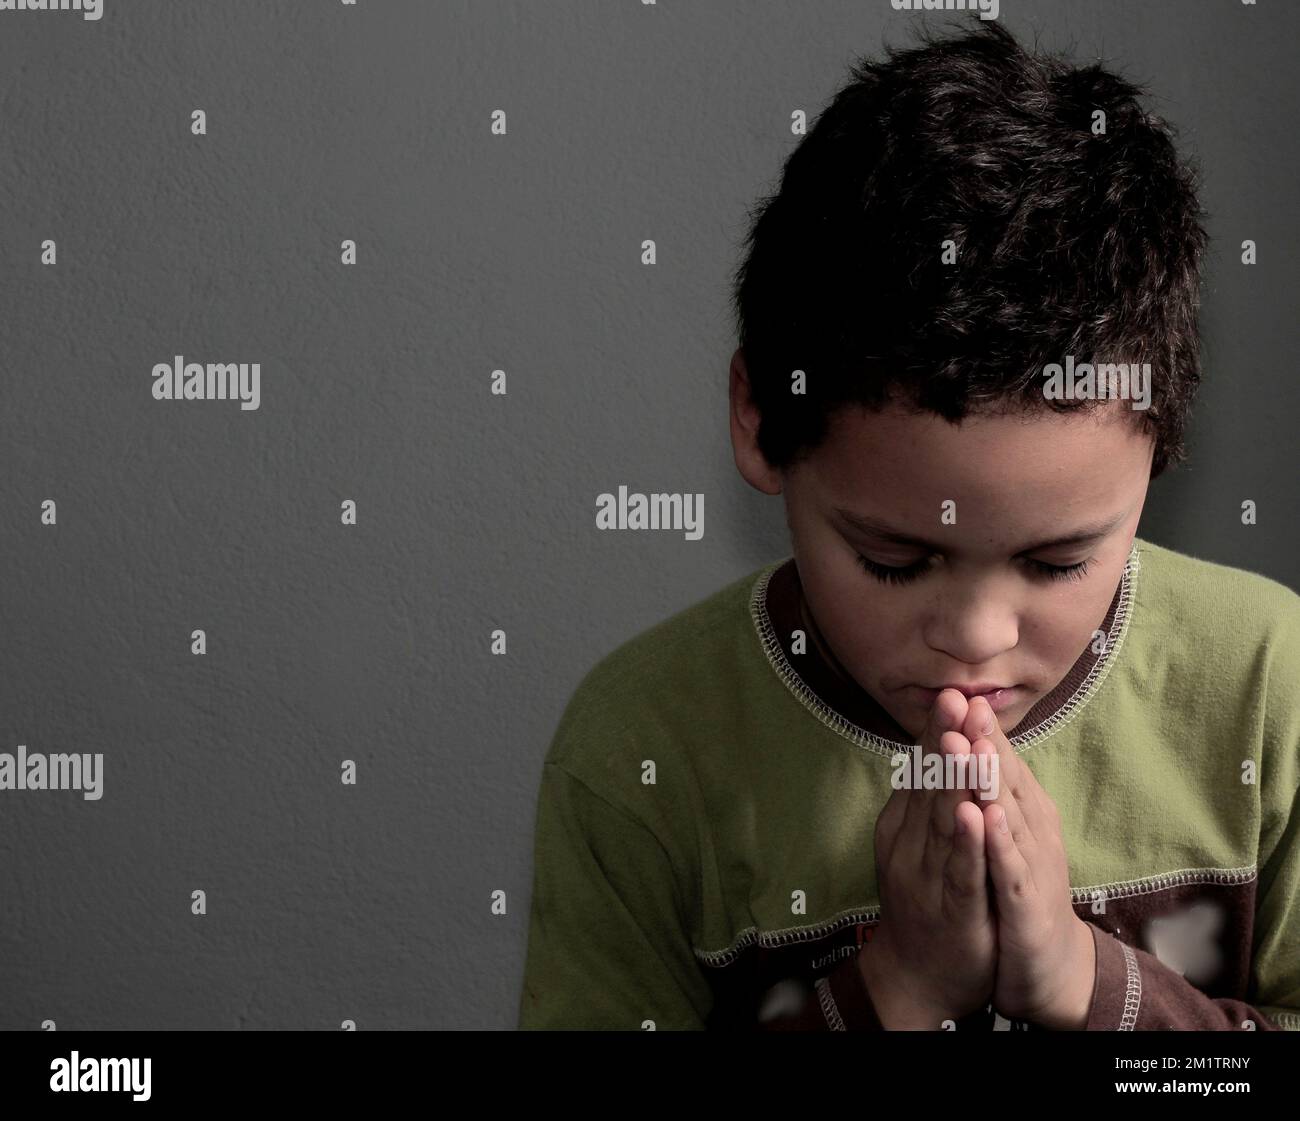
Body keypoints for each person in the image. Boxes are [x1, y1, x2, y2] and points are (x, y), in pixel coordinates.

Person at [517, 20, 1299, 1030]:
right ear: (759, 421)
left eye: (1058, 559)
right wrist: (896, 989)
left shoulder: (1265, 684)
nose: (976, 636)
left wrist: (1083, 984)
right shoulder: (641, 753)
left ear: (1160, 445)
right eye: (893, 559)